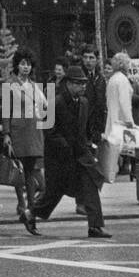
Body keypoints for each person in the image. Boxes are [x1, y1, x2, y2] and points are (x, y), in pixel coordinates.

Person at [31, 65, 110, 238]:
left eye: (84, 83)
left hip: (80, 155)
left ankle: (95, 226)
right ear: (68, 84)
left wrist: (90, 146)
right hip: (59, 158)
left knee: (91, 185)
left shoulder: (84, 103)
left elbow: (84, 130)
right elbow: (48, 131)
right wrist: (65, 145)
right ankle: (30, 214)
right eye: (78, 83)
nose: (82, 86)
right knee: (53, 193)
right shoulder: (55, 103)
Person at [3, 50, 46, 236]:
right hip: (18, 131)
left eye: (28, 64)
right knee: (19, 171)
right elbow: (6, 111)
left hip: (34, 131)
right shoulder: (9, 85)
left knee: (30, 171)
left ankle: (29, 210)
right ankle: (22, 204)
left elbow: (43, 108)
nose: (26, 67)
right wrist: (6, 133)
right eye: (22, 63)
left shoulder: (35, 86)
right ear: (17, 65)